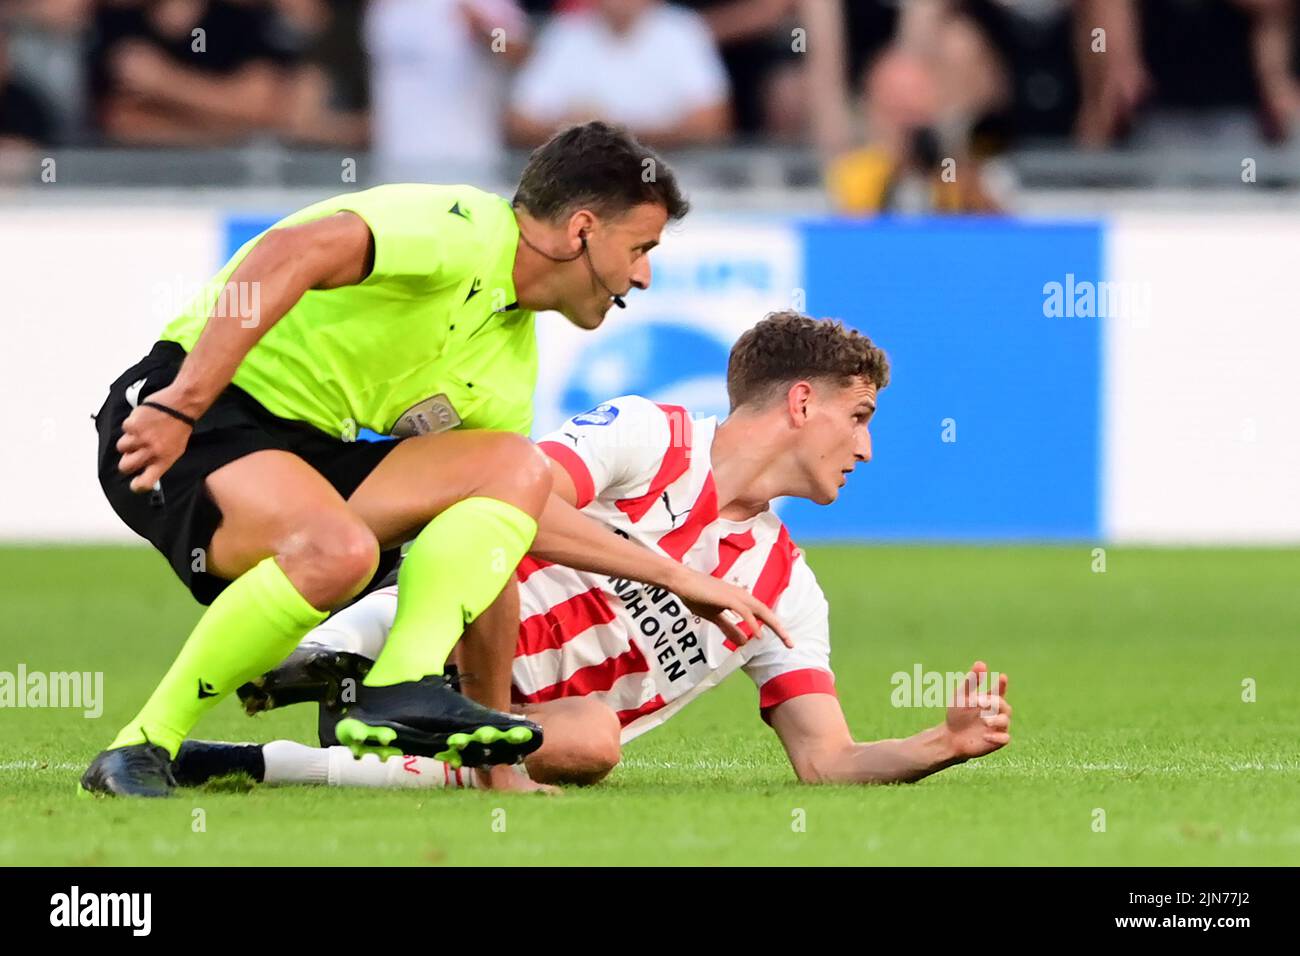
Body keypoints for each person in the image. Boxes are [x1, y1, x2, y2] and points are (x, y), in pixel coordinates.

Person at [84, 121, 785, 798]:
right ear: (581, 231)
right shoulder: (462, 228)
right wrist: (181, 402)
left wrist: (671, 580)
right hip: (186, 413)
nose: (645, 276)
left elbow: (508, 537)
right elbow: (284, 254)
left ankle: (399, 684)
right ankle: (141, 743)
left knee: (511, 472)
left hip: (308, 451)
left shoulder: (510, 361)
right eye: (641, 248)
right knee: (340, 549)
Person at [177, 313, 1013, 792]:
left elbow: (825, 761)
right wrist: (674, 575)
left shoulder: (789, 592)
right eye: (859, 415)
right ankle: (348, 652)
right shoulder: (650, 437)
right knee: (492, 534)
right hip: (437, 649)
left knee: (596, 741)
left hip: (513, 729)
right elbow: (511, 506)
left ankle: (262, 760)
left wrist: (940, 744)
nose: (866, 448)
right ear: (802, 401)